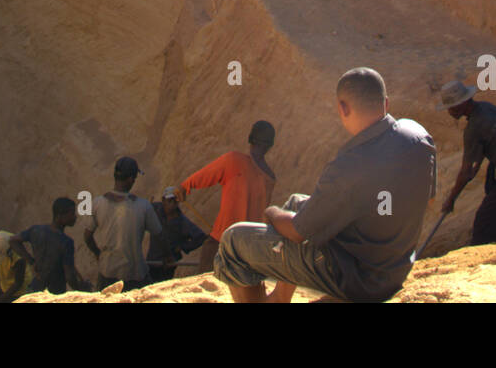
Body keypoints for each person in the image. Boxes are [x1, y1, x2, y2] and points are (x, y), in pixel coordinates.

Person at [213, 68, 436, 303]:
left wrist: (271, 213)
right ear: (386, 103)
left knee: (233, 240)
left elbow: (297, 232)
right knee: (297, 201)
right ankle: (279, 298)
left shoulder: (349, 165)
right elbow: (428, 200)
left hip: (356, 280)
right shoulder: (418, 136)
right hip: (394, 269)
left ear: (343, 108)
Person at [438, 80, 496, 245]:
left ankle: (485, 254)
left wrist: (451, 199)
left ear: (463, 103)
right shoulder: (487, 108)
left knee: (485, 222)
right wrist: (476, 165)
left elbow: (466, 171)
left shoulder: (474, 127)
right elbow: (485, 146)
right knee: (493, 215)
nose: (449, 111)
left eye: (452, 107)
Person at [175, 120, 277, 273]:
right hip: (250, 248)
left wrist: (184, 187)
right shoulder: (270, 178)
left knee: (206, 278)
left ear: (251, 139)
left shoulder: (234, 160)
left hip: (223, 240)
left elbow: (206, 175)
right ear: (270, 145)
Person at [85, 156, 162, 290]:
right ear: (131, 179)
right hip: (135, 274)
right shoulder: (144, 206)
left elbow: (87, 236)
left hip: (107, 273)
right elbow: (159, 235)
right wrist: (168, 257)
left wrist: (99, 254)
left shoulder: (97, 203)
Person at [14, 197, 90, 294]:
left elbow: (14, 241)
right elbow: (70, 277)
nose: (75, 217)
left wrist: (31, 262)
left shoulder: (36, 230)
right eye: (72, 214)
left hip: (35, 290)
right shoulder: (66, 242)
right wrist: (82, 290)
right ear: (60, 215)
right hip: (54, 293)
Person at [146, 186, 208, 282]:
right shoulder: (156, 209)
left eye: (176, 201)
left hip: (168, 266)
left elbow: (201, 237)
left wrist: (183, 247)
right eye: (170, 200)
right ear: (163, 200)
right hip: (152, 261)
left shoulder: (182, 221)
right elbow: (142, 210)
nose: (173, 204)